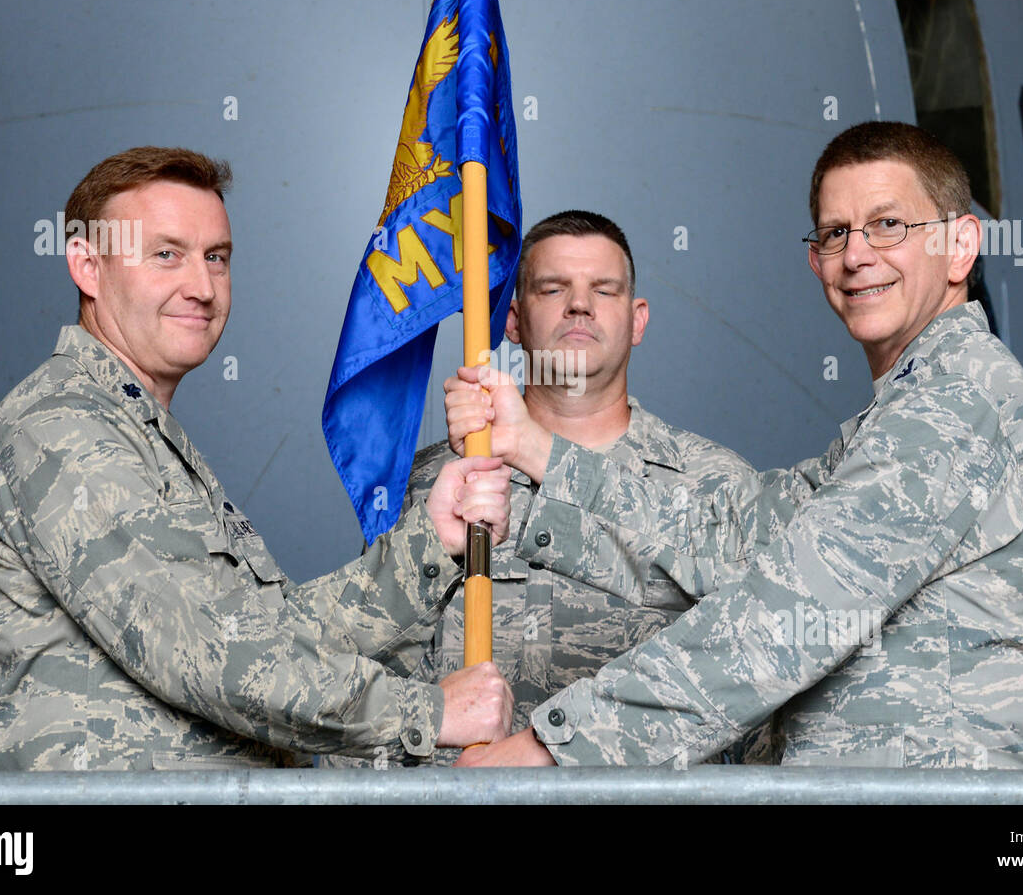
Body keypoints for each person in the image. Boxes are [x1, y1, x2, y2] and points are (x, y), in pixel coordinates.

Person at [447, 122, 1023, 768]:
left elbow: (783, 618)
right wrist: (535, 451)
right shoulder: (895, 416)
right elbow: (732, 541)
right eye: (835, 233)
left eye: (888, 225)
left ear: (961, 245)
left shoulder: (959, 403)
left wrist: (550, 751)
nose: (856, 255)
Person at [0, 147, 514, 771]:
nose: (200, 287)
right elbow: (207, 653)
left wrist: (431, 545)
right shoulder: (60, 428)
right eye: (166, 253)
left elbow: (273, 638)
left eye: (215, 258)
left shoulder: (140, 430)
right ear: (87, 265)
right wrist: (427, 714)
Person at [325, 210, 776, 767]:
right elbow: (362, 684)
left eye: (603, 289)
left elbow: (758, 695)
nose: (579, 304)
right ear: (513, 320)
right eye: (553, 287)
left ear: (638, 320)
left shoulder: (719, 487)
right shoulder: (439, 482)